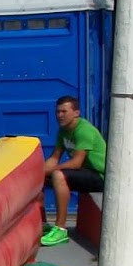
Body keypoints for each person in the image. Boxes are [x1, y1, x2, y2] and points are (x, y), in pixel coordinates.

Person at [41, 95, 106, 247]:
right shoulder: (63, 131)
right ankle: (43, 223)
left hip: (100, 176)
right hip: (84, 173)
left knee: (58, 175)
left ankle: (61, 229)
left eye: (64, 111)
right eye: (58, 112)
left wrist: (52, 169)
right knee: (40, 177)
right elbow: (55, 157)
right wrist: (40, 171)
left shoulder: (84, 130)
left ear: (76, 113)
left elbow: (76, 163)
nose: (60, 115)